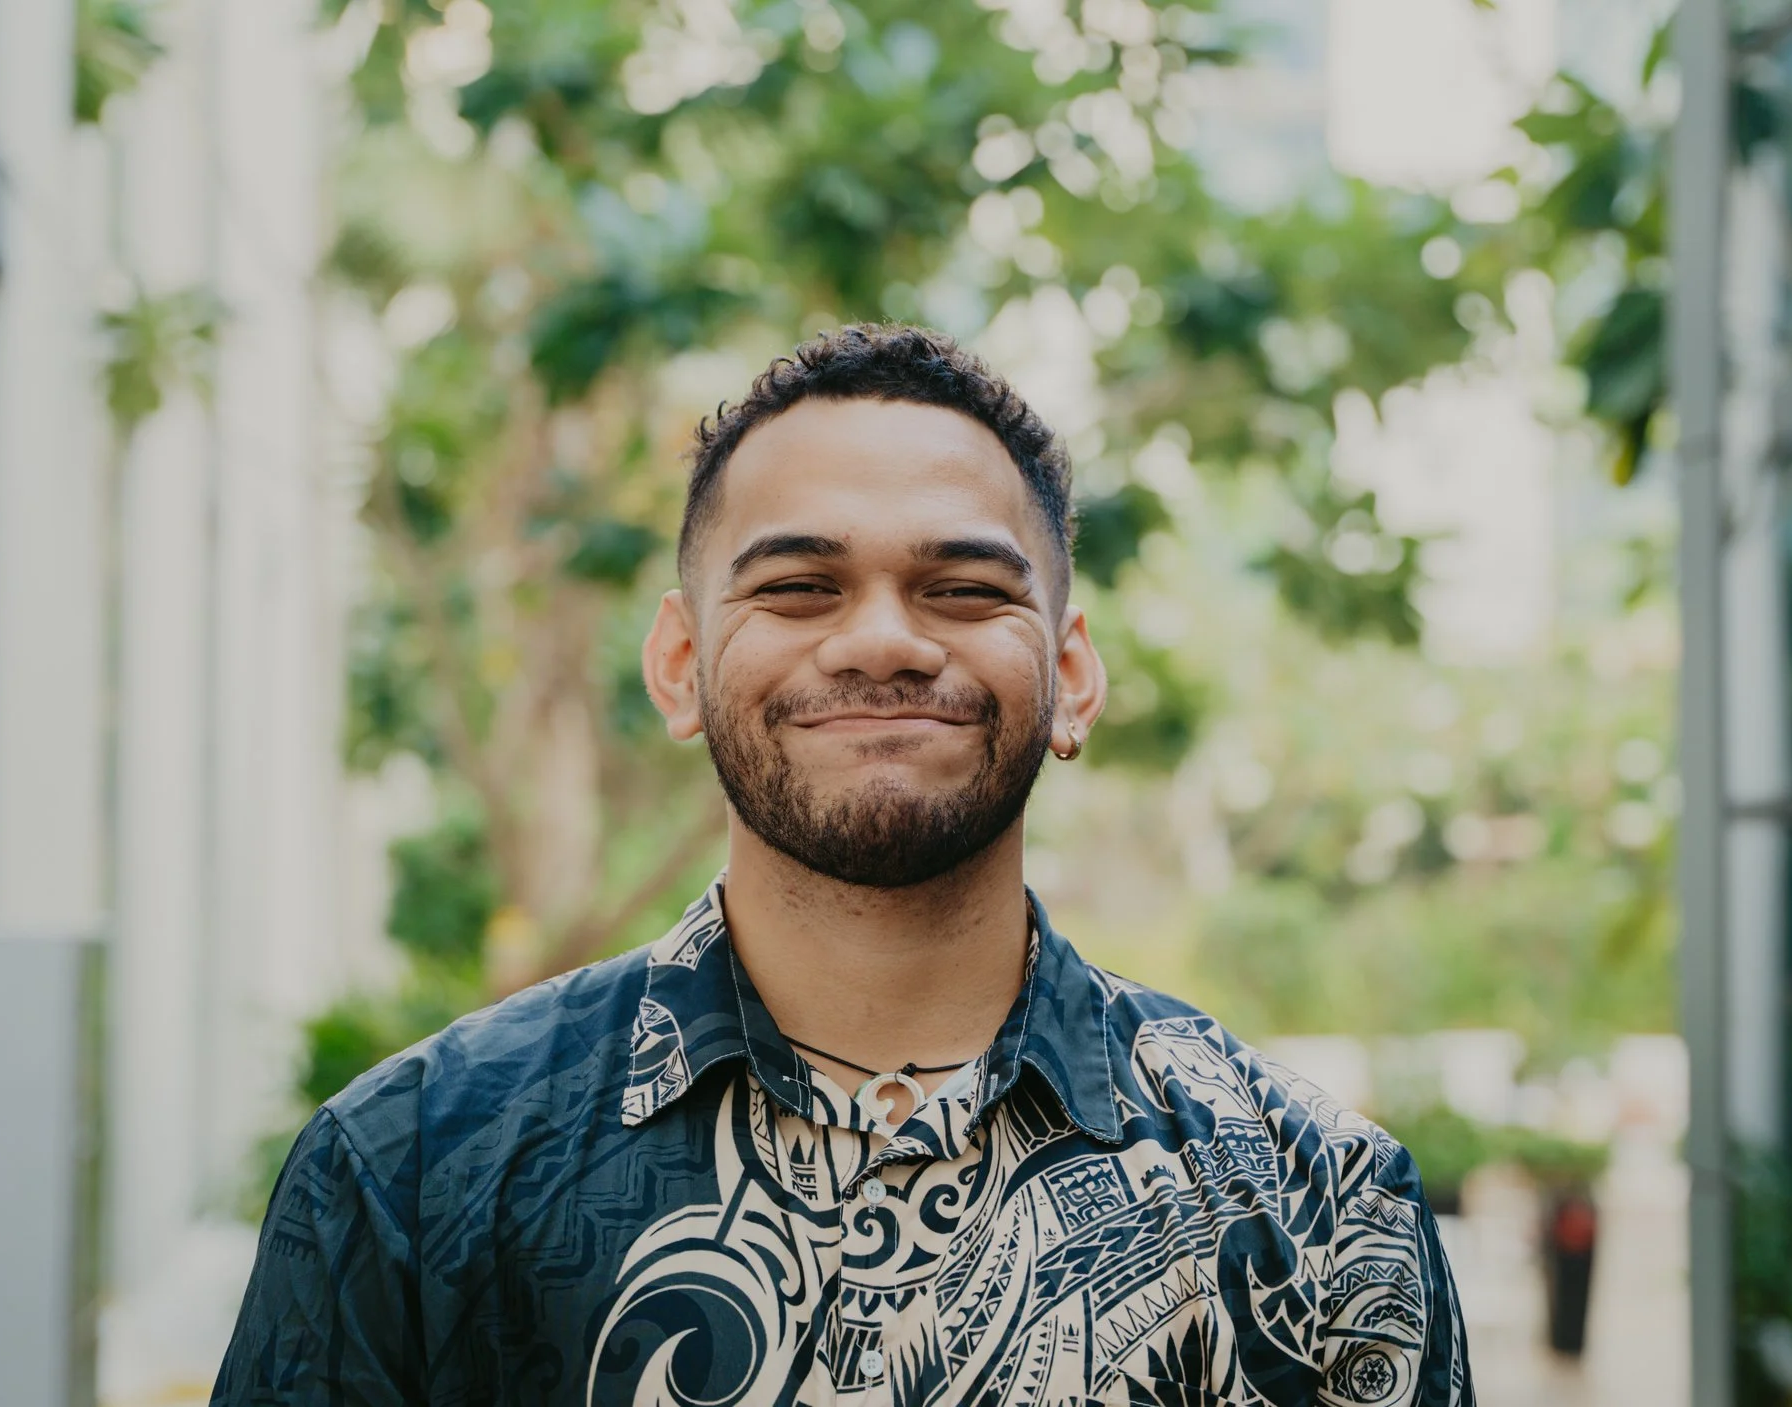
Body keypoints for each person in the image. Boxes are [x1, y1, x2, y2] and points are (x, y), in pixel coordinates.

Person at [212, 324, 1474, 1406]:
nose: (881, 640)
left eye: (963, 589)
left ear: (1071, 674)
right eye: (801, 586)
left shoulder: (1317, 1205)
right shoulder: (411, 1172)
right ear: (680, 666)